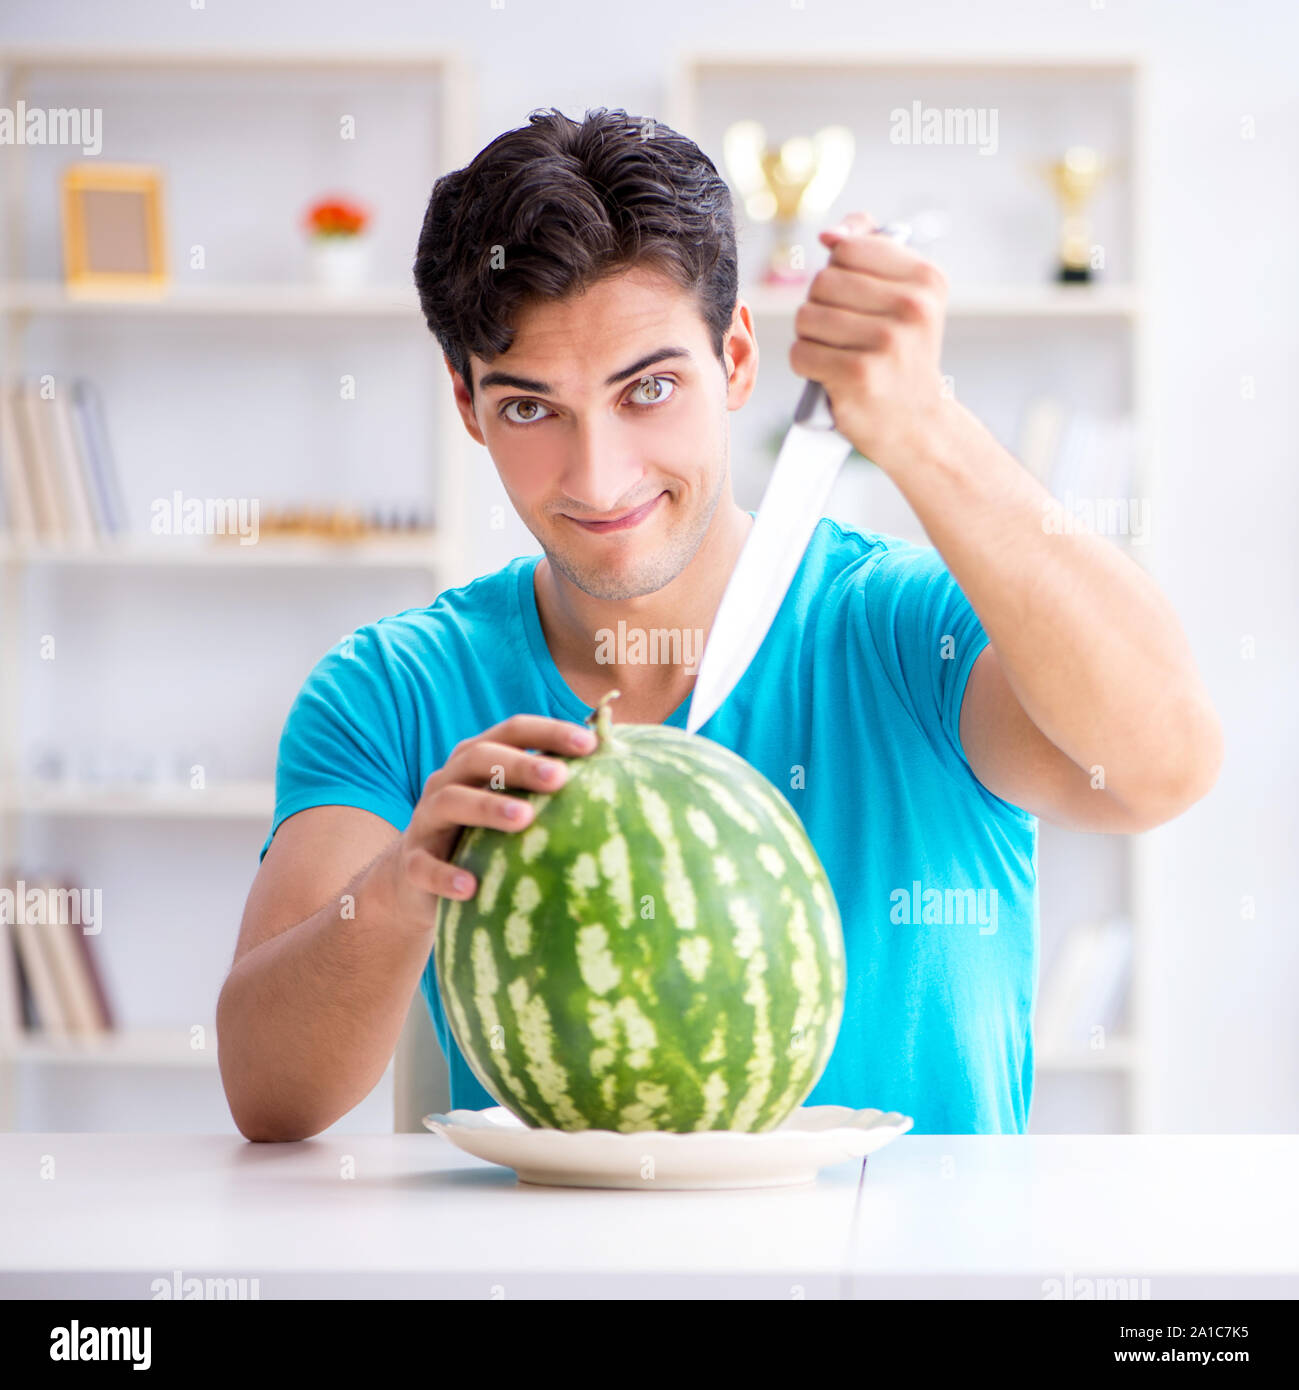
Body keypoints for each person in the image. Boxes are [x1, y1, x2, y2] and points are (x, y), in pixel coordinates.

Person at [217, 107, 1221, 1141]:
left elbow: (1164, 767)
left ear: (738, 360)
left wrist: (926, 428)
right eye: (529, 408)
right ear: (468, 406)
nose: (599, 476)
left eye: (648, 388)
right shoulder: (396, 688)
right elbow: (269, 1093)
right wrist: (398, 890)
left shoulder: (912, 635)